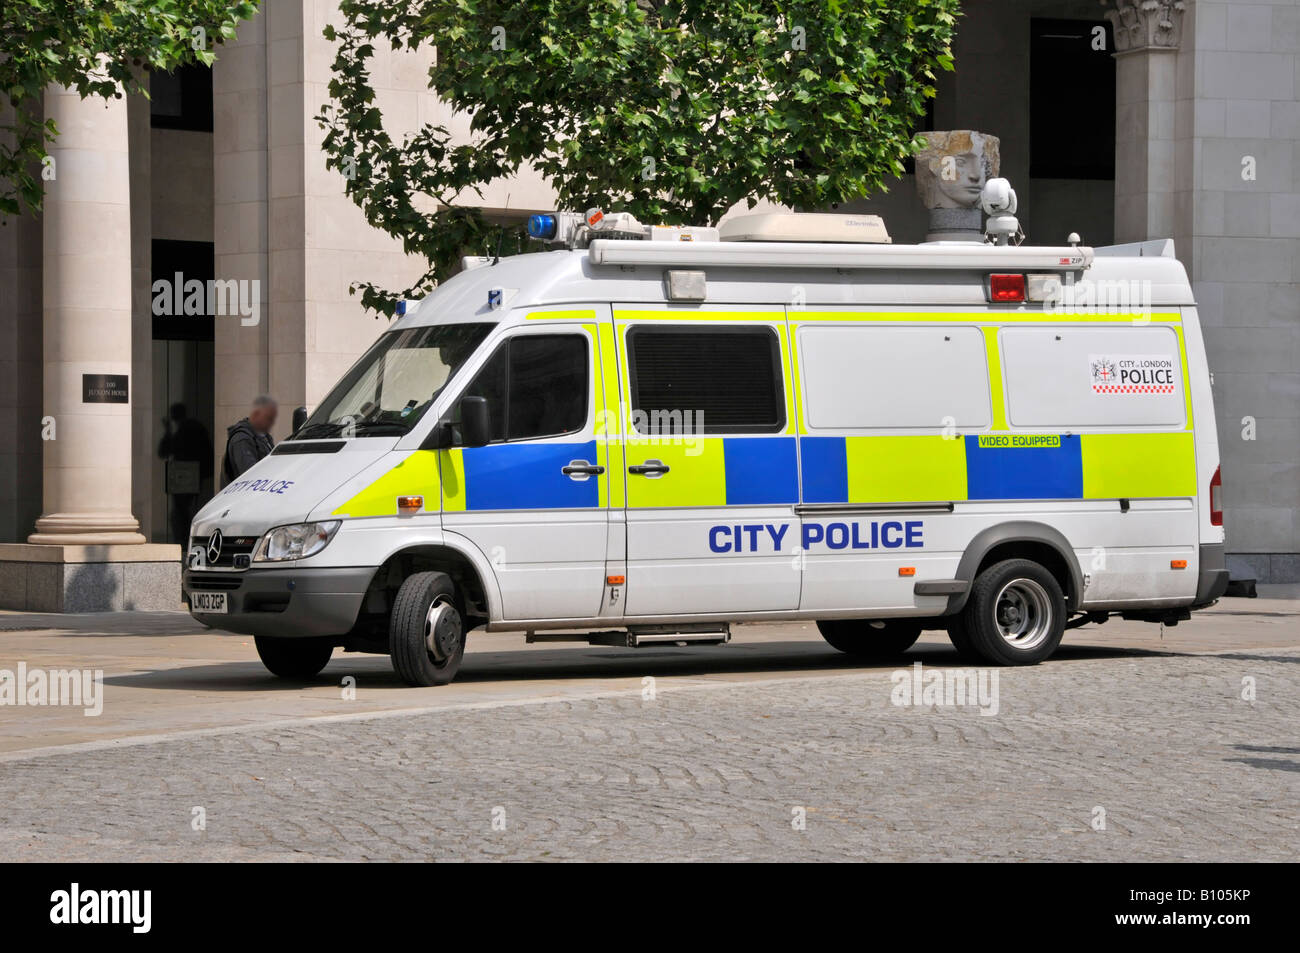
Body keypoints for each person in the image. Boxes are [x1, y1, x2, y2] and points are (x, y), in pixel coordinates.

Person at [158, 403, 214, 544]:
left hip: (188, 473)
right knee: (182, 509)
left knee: (182, 509)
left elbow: (166, 450)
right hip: (186, 473)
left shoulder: (189, 429)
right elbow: (164, 452)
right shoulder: (189, 428)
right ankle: (184, 538)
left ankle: (185, 538)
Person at [222, 395, 278, 485]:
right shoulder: (241, 439)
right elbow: (250, 475)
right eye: (268, 418)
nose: (272, 422)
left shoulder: (263, 436)